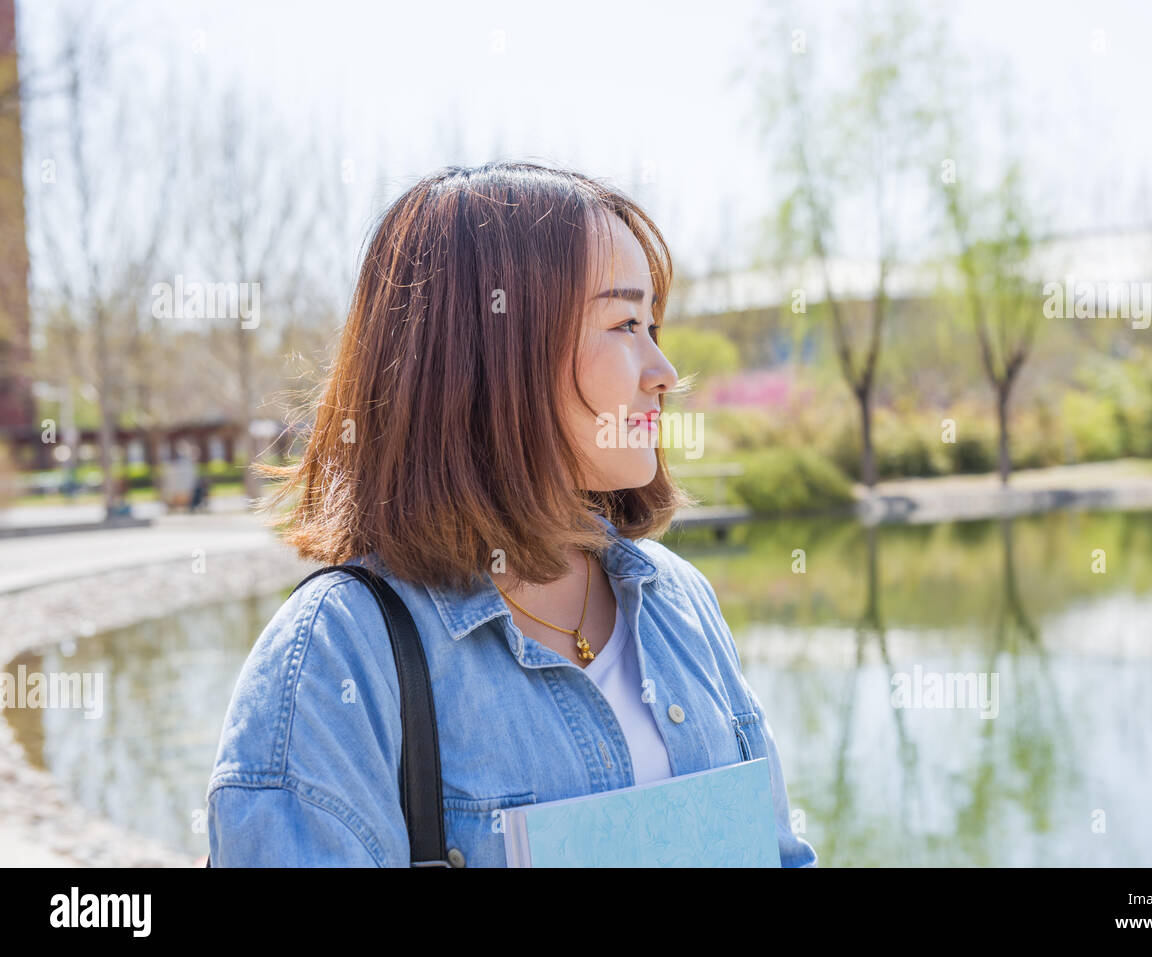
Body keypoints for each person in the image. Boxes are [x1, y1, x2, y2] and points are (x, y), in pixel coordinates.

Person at [205, 161, 816, 867]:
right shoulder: (336, 657)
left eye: (653, 323)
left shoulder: (679, 599)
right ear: (493, 354)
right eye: (624, 324)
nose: (664, 371)